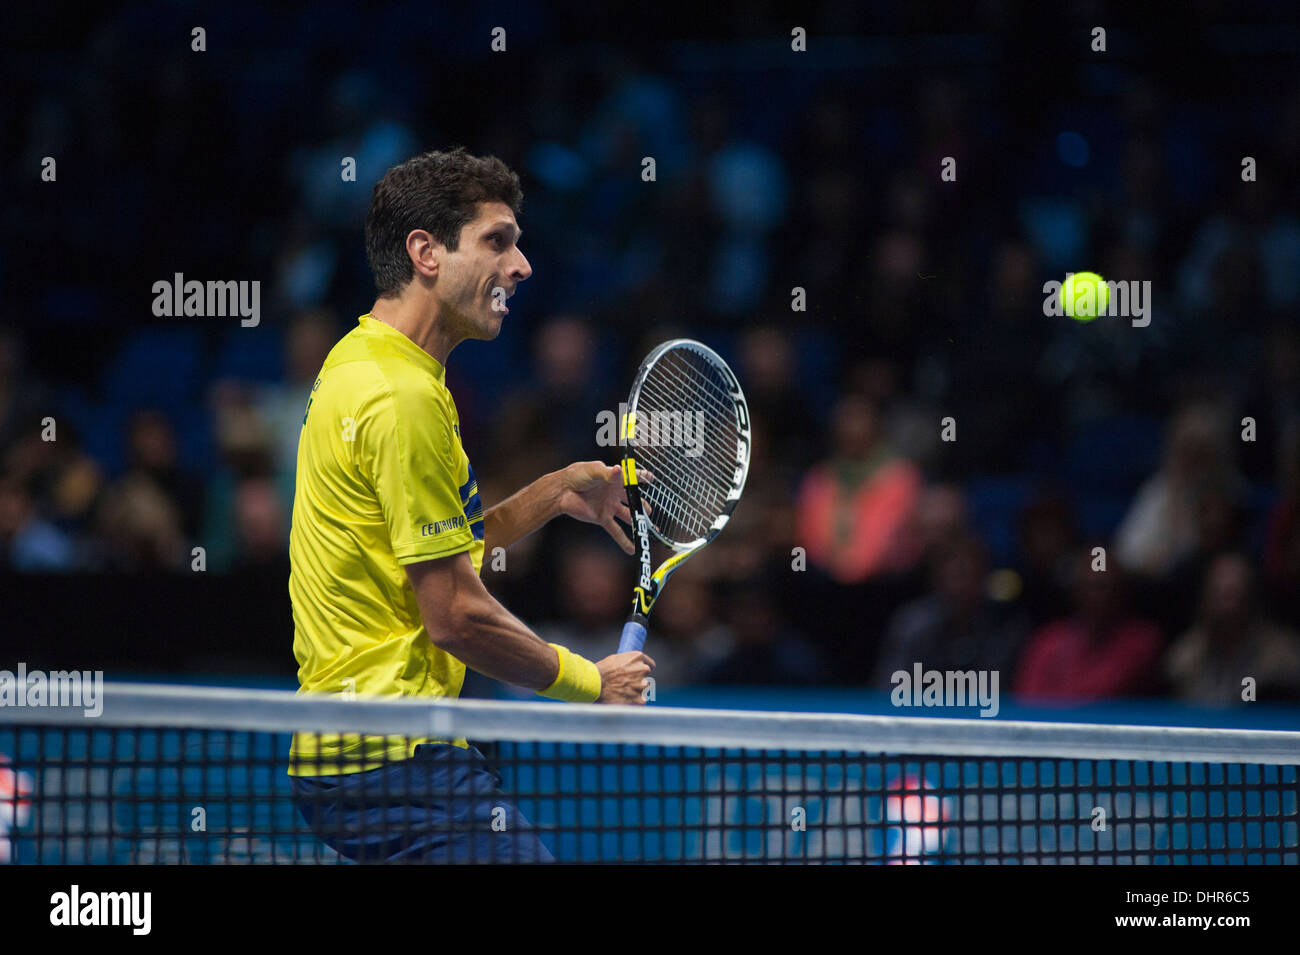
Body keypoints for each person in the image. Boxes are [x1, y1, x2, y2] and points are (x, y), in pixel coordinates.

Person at [287, 148, 654, 863]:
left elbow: (433, 550)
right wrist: (591, 681)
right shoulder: (403, 398)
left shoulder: (361, 361)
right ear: (425, 251)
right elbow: (454, 613)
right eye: (497, 240)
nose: (521, 267)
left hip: (368, 746)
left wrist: (554, 492)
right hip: (393, 754)